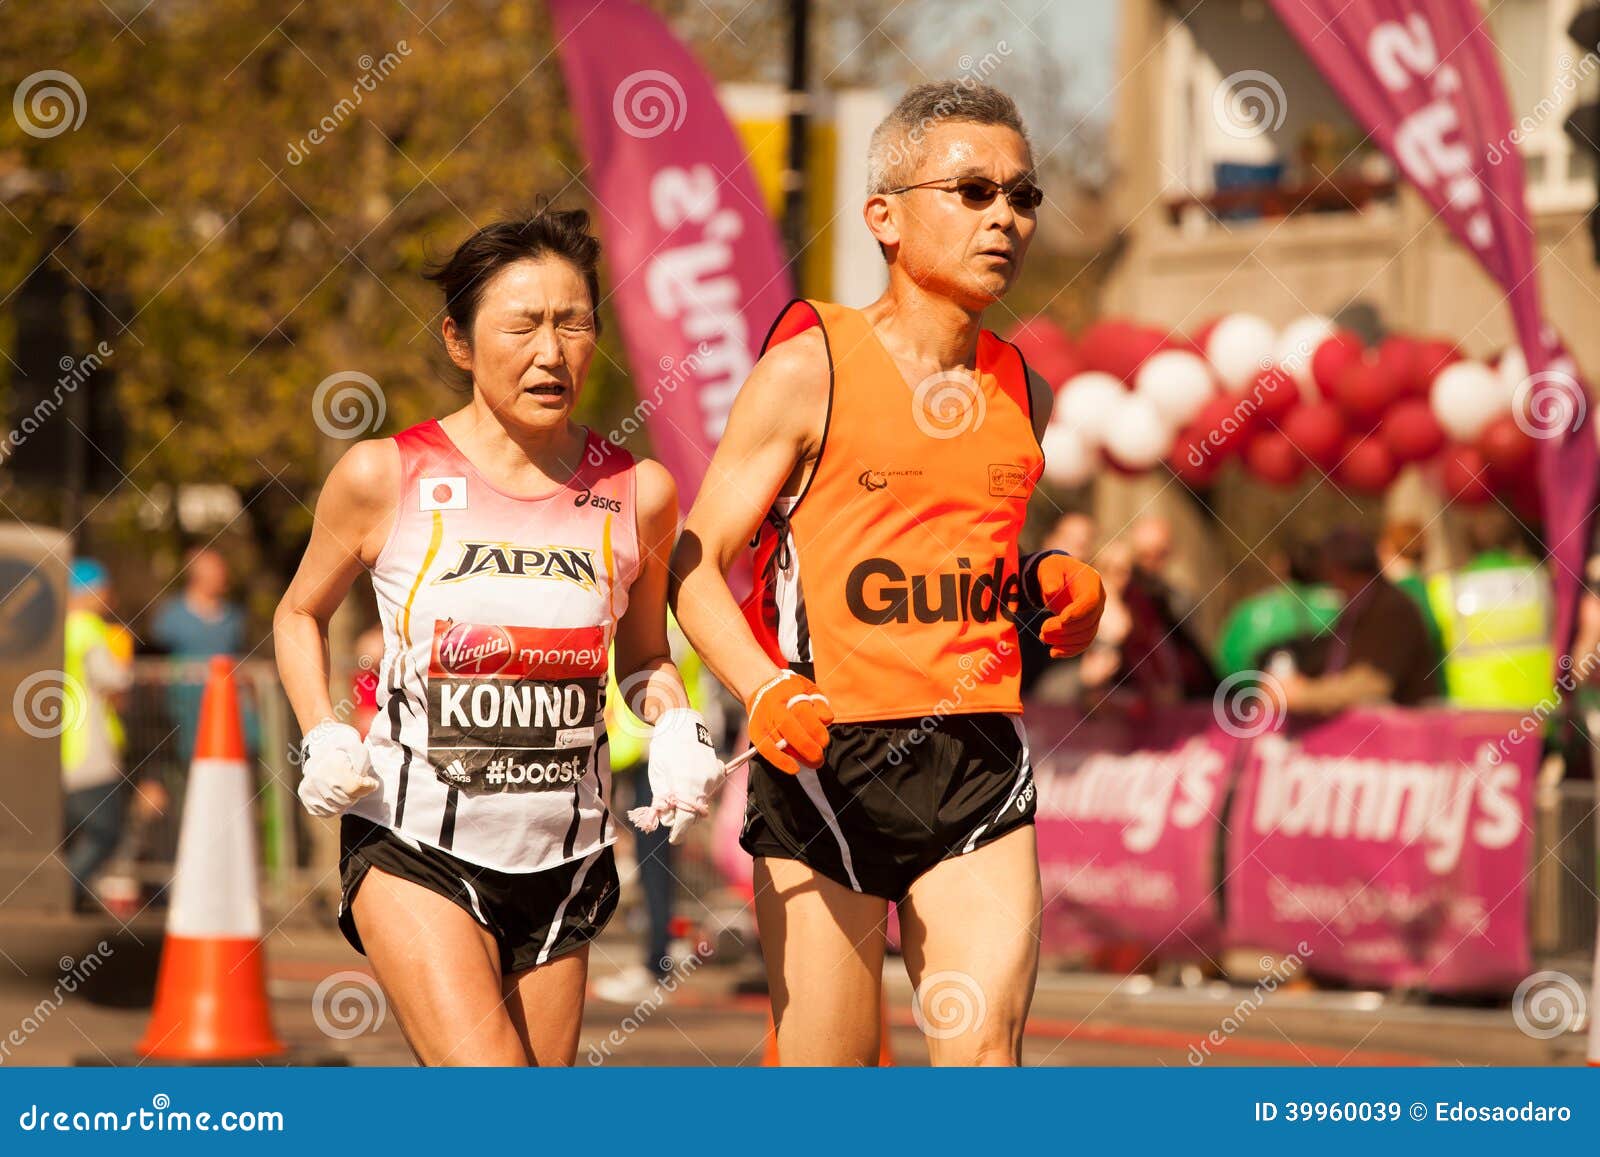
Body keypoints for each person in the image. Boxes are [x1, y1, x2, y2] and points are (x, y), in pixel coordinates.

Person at [670, 81, 1105, 1066]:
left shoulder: (1022, 386)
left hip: (977, 762)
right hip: (825, 763)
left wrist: (1049, 578)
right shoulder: (807, 368)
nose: (1005, 216)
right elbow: (691, 565)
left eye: (1023, 196)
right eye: (973, 190)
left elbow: (951, 545)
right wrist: (763, 685)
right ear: (884, 216)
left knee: (982, 1058)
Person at [273, 207, 722, 1067]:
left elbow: (646, 658)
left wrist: (673, 724)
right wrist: (322, 729)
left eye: (574, 322)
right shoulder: (381, 474)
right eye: (522, 325)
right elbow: (298, 613)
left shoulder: (640, 492)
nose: (552, 351)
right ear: (460, 342)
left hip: (568, 853)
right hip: (415, 843)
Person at [1268, 527, 1437, 714]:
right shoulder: (1357, 605)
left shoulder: (1393, 610)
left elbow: (1373, 682)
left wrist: (1301, 696)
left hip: (1401, 731)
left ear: (1340, 569)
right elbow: (1339, 657)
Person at [61, 559, 136, 908]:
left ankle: (63, 893)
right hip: (88, 750)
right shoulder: (88, 628)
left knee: (65, 834)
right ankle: (64, 892)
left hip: (57, 749)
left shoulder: (51, 628)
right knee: (105, 830)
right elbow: (115, 679)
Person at [1426, 508, 1554, 710]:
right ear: (1513, 540)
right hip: (1540, 708)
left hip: (1474, 712)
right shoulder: (1542, 580)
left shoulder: (1445, 590)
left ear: (1468, 543)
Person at [151, 547, 248, 767]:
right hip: (184, 718)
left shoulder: (234, 618)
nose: (222, 576)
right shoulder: (170, 617)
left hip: (229, 715)